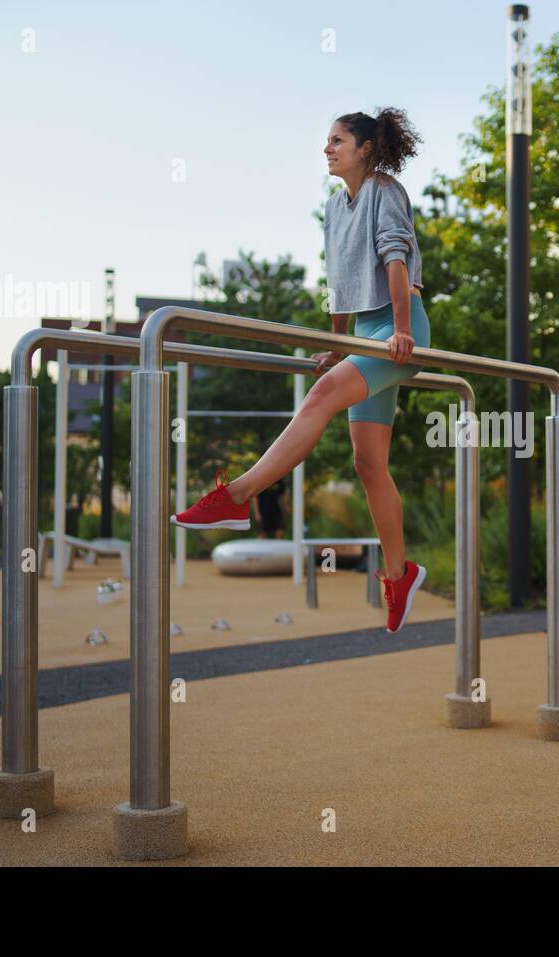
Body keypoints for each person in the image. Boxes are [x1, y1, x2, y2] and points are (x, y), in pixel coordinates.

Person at [172, 107, 429, 634]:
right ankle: (399, 574)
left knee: (320, 397)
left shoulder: (385, 191)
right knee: (368, 463)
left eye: (337, 141)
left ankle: (236, 496)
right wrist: (335, 346)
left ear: (365, 147)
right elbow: (340, 282)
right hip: (363, 333)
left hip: (397, 329)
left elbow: (395, 261)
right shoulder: (334, 207)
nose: (327, 149)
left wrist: (402, 329)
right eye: (327, 141)